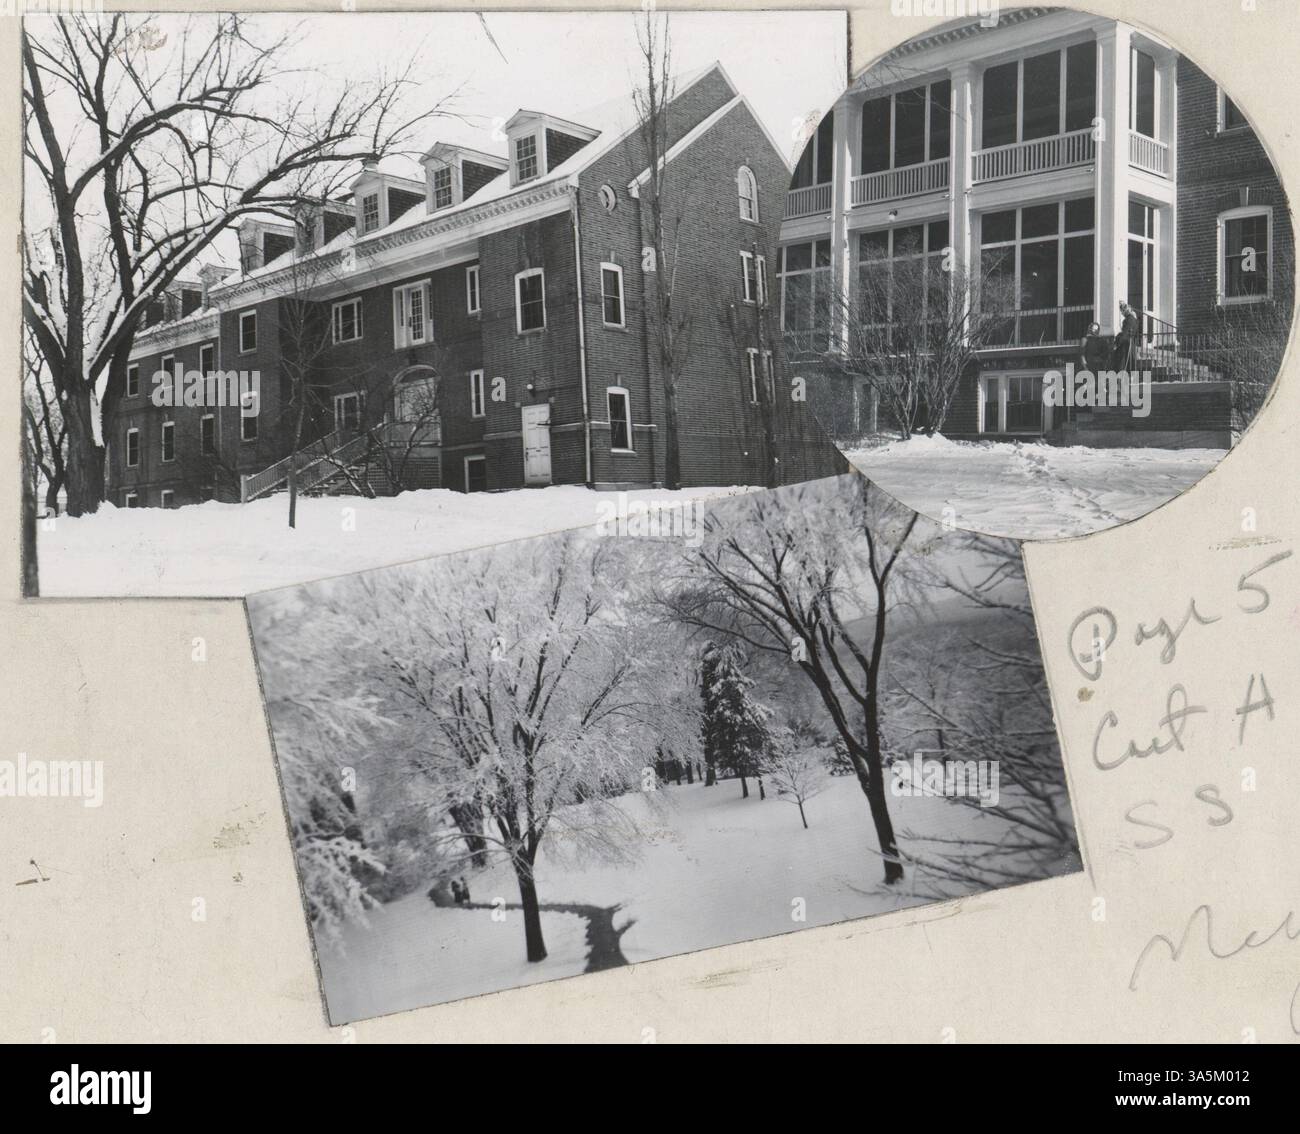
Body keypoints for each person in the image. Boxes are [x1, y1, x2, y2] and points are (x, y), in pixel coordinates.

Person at [1111, 302, 1140, 371]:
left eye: (1122, 311)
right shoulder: (1134, 320)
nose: (1122, 314)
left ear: (1125, 311)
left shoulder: (1128, 320)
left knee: (1123, 363)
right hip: (1130, 343)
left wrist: (1117, 343)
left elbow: (1125, 333)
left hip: (1126, 344)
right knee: (1130, 363)